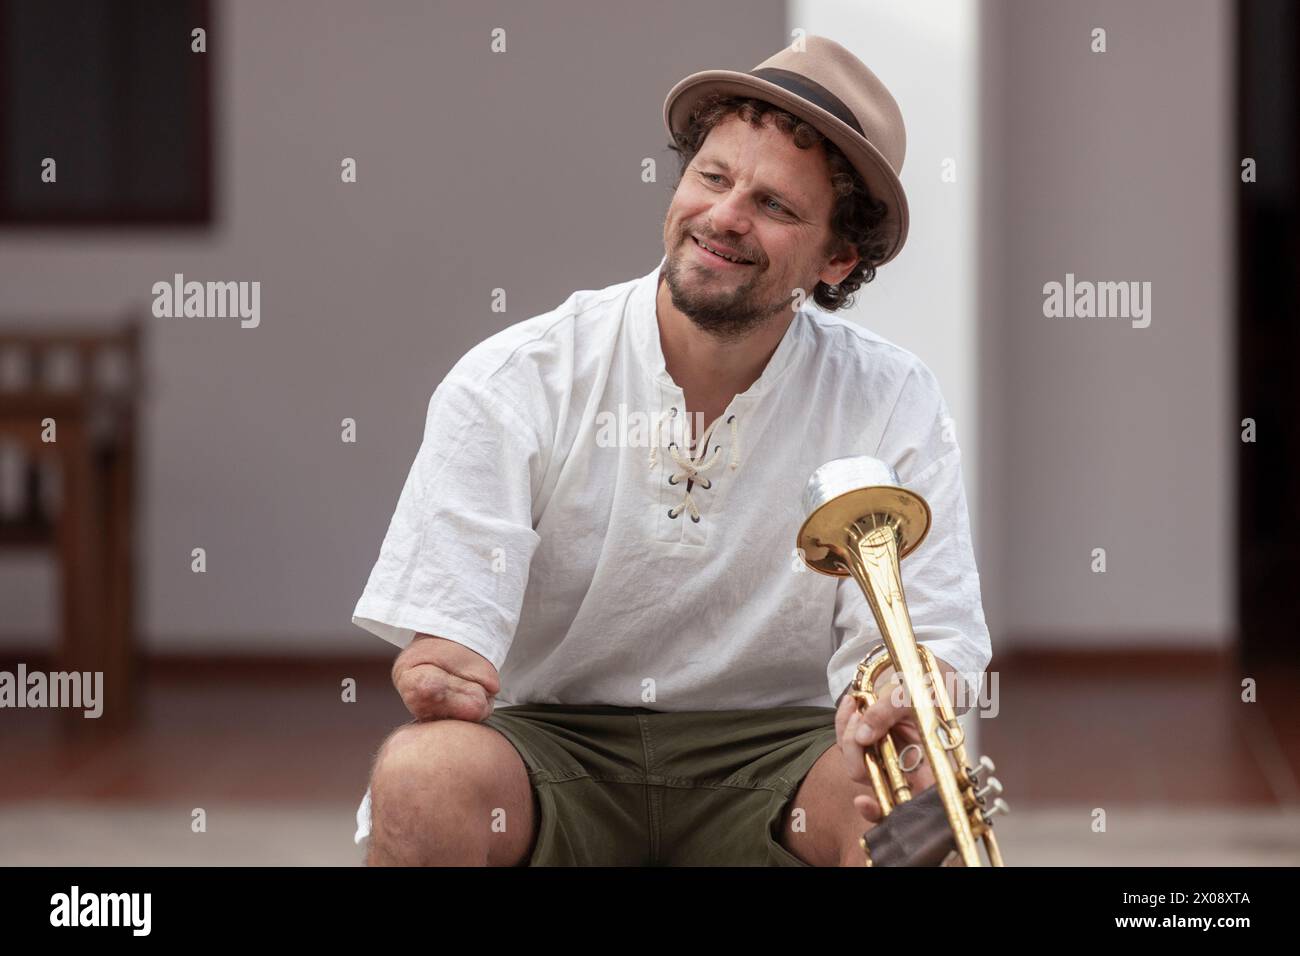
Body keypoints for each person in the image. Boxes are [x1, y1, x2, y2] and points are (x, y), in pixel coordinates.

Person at [351, 35, 991, 866]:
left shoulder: (895, 397)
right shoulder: (515, 377)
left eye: (775, 205)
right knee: (422, 775)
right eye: (713, 178)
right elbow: (449, 629)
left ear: (838, 258)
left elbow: (928, 633)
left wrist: (909, 695)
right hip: (553, 752)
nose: (725, 217)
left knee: (914, 802)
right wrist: (442, 660)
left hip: (785, 760)